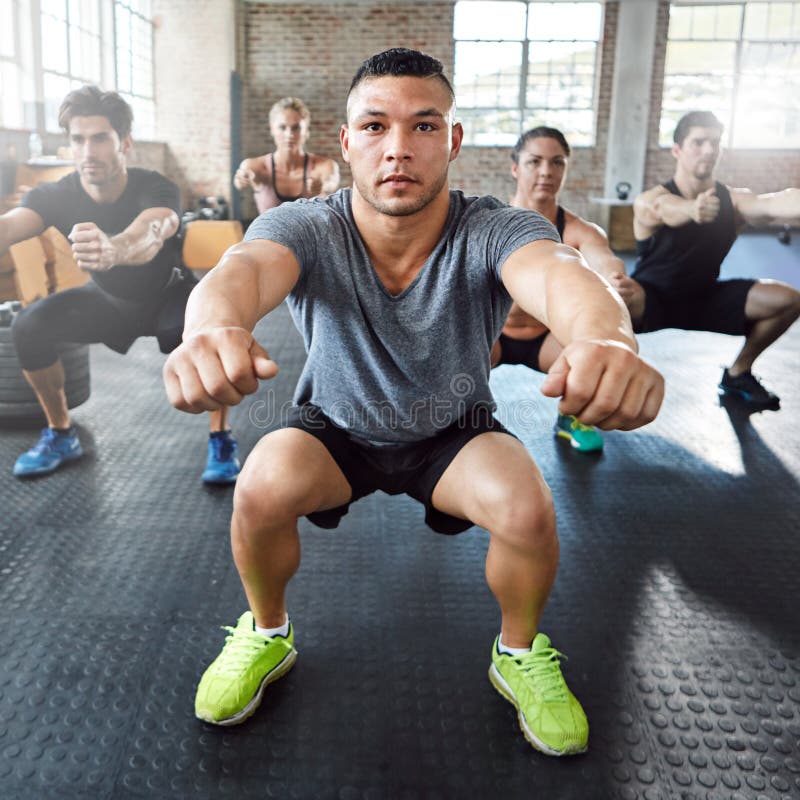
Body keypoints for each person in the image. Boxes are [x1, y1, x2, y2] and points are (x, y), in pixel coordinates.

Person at [163, 49, 664, 756]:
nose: (398, 148)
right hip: (336, 429)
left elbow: (560, 275)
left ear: (453, 141)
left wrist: (608, 339)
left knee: (527, 506)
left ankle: (517, 653)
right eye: (374, 126)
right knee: (260, 486)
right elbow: (240, 269)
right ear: (346, 142)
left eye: (424, 126)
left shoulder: (494, 226)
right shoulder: (308, 225)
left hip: (450, 432)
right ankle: (267, 633)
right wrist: (211, 329)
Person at [1, 86, 240, 484]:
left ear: (124, 143)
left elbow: (152, 231)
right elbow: (10, 227)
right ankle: (61, 433)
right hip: (109, 302)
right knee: (29, 325)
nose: (87, 151)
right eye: (78, 139)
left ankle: (221, 438)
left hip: (170, 293)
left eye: (99, 139)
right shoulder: (56, 194)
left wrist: (114, 248)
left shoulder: (157, 187)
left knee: (211, 334)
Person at [612, 110, 800, 408]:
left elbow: (774, 204)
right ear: (677, 150)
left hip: (704, 299)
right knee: (615, 297)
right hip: (652, 299)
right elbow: (662, 208)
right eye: (698, 142)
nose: (709, 150)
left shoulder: (735, 201)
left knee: (788, 299)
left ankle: (738, 373)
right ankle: (602, 385)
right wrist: (692, 210)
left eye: (715, 142)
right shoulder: (651, 198)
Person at [492, 126, 632, 452]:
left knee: (596, 352)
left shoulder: (581, 230)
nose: (546, 171)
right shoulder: (488, 223)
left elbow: (605, 261)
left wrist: (614, 280)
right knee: (450, 355)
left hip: (548, 337)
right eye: (535, 162)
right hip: (493, 333)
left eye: (557, 163)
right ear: (516, 168)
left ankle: (572, 419)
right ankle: (459, 424)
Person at [233, 97, 340, 214]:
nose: (289, 135)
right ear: (272, 129)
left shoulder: (323, 166)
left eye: (296, 128)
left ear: (306, 131)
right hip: (269, 232)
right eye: (282, 127)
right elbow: (242, 177)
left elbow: (331, 182)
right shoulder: (257, 166)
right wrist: (242, 179)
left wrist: (322, 186)